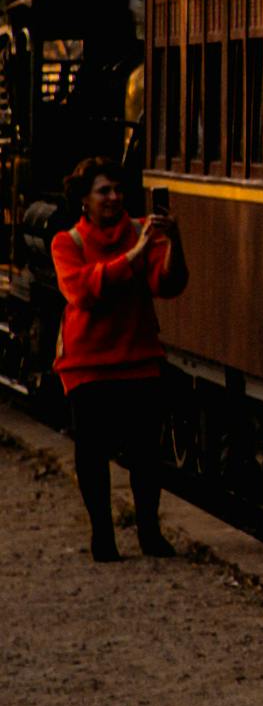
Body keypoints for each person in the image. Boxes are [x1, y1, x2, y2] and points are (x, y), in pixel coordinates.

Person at [51, 163, 181, 562]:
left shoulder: (142, 230)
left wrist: (173, 243)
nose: (114, 198)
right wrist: (137, 253)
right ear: (84, 201)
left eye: (118, 190)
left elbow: (168, 284)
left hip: (138, 356)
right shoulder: (66, 242)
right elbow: (85, 290)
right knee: (91, 454)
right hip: (87, 363)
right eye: (104, 191)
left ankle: (149, 532)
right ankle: (102, 534)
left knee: (146, 455)